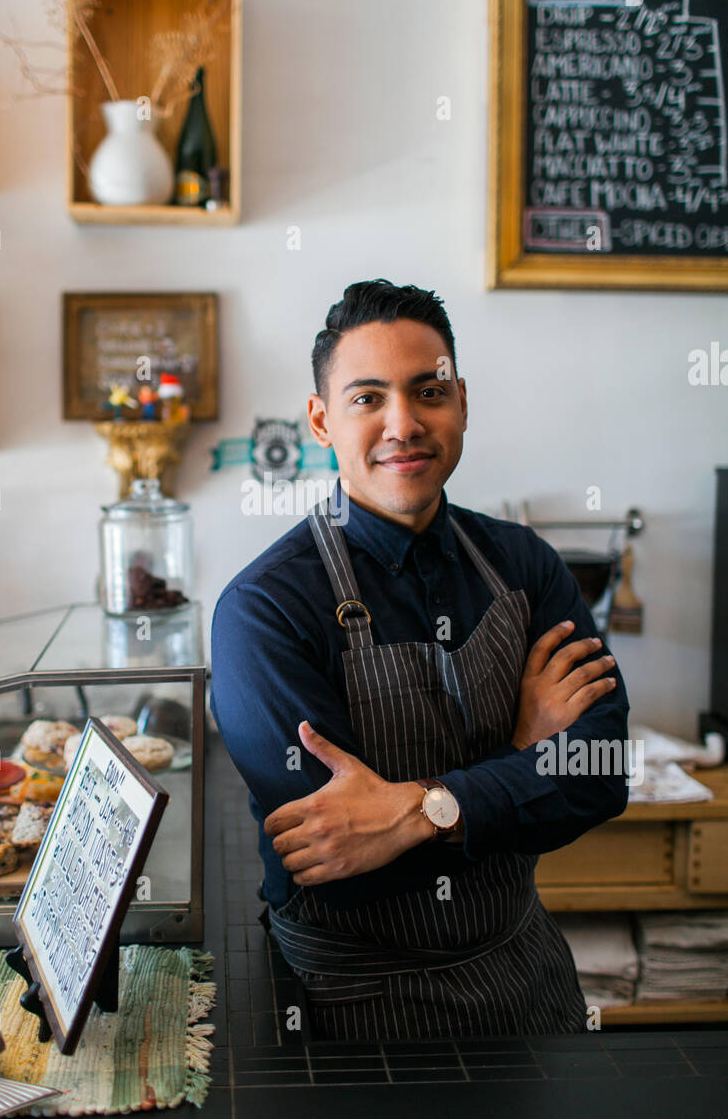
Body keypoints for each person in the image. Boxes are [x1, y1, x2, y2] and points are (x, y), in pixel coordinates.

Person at [210, 279, 630, 1042]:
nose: (403, 424)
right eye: (367, 398)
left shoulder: (523, 565)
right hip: (354, 1005)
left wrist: (414, 811)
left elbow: (600, 775)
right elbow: (336, 862)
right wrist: (525, 758)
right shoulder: (262, 611)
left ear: (461, 402)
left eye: (427, 391)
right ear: (321, 420)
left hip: (527, 977)